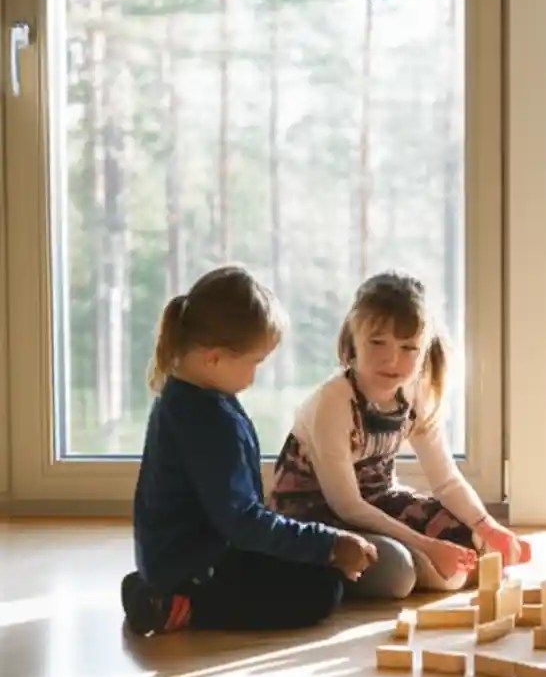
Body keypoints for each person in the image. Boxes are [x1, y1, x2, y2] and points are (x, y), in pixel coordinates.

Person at [122, 266, 377, 635]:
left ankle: (159, 586)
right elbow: (242, 522)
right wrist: (328, 545)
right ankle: (181, 604)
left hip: (187, 554)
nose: (255, 376)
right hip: (199, 564)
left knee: (315, 567)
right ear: (214, 358)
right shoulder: (206, 420)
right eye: (254, 363)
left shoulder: (189, 396)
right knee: (322, 590)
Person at [269, 271, 529, 599]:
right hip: (317, 515)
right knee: (398, 573)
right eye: (377, 342)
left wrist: (487, 525)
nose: (392, 359)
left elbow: (446, 481)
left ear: (424, 352)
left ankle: (438, 566)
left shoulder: (416, 392)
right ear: (353, 342)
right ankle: (425, 567)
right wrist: (427, 546)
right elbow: (347, 505)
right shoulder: (333, 402)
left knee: (470, 537)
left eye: (408, 348)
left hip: (379, 503)